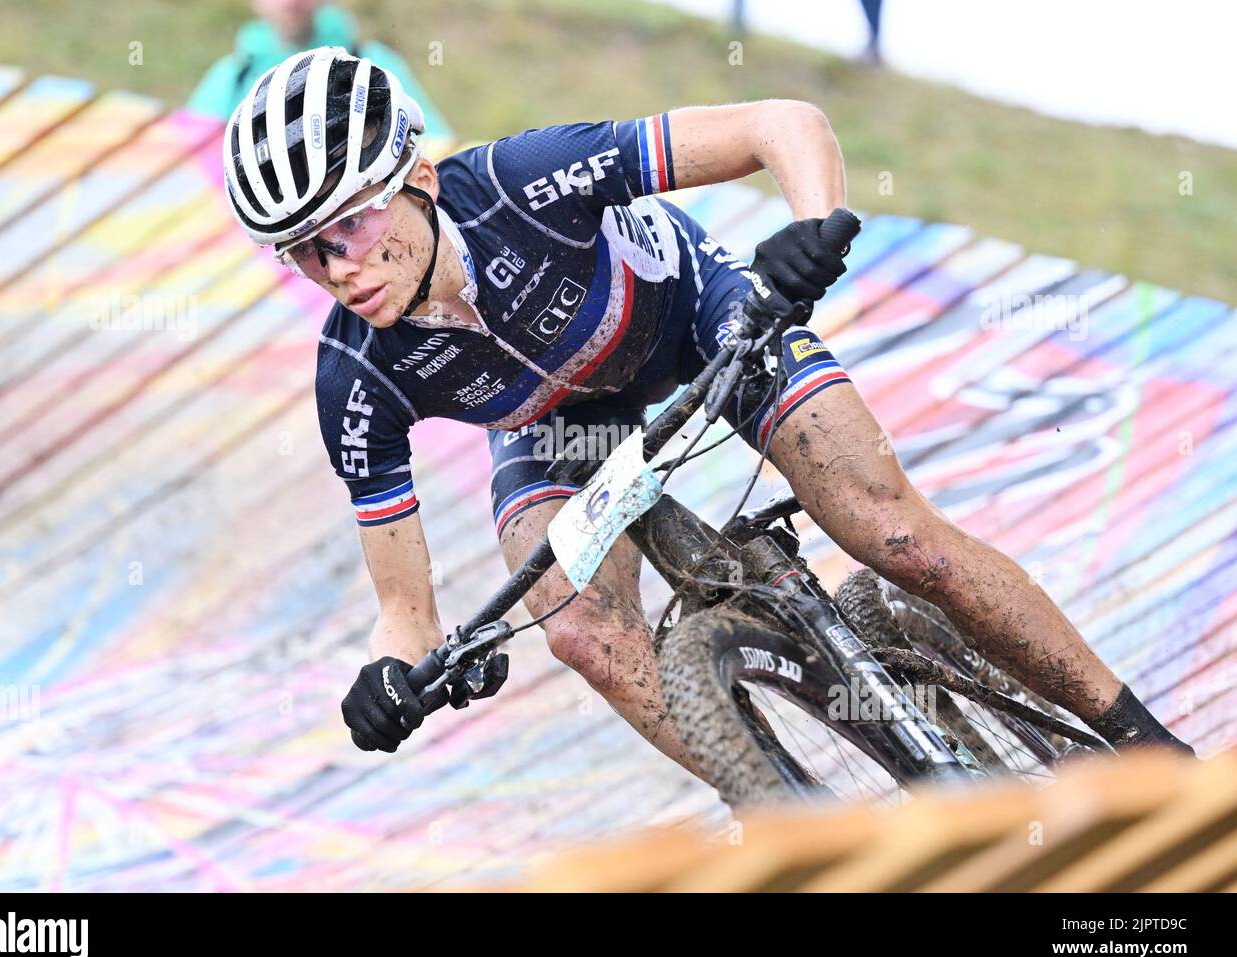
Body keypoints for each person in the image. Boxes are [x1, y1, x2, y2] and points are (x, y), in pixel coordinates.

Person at [221, 46, 1194, 772]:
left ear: (417, 179)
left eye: (347, 223)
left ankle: (1146, 748)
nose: (335, 267)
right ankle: (783, 814)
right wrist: (390, 678)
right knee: (576, 632)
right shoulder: (355, 374)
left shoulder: (526, 180)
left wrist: (812, 227)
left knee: (890, 533)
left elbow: (782, 121)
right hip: (559, 430)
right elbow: (408, 612)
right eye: (301, 250)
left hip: (695, 319)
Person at [189, 1, 452, 146]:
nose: (290, 2)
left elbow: (432, 141)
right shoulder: (232, 77)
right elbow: (188, 158)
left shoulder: (371, 62)